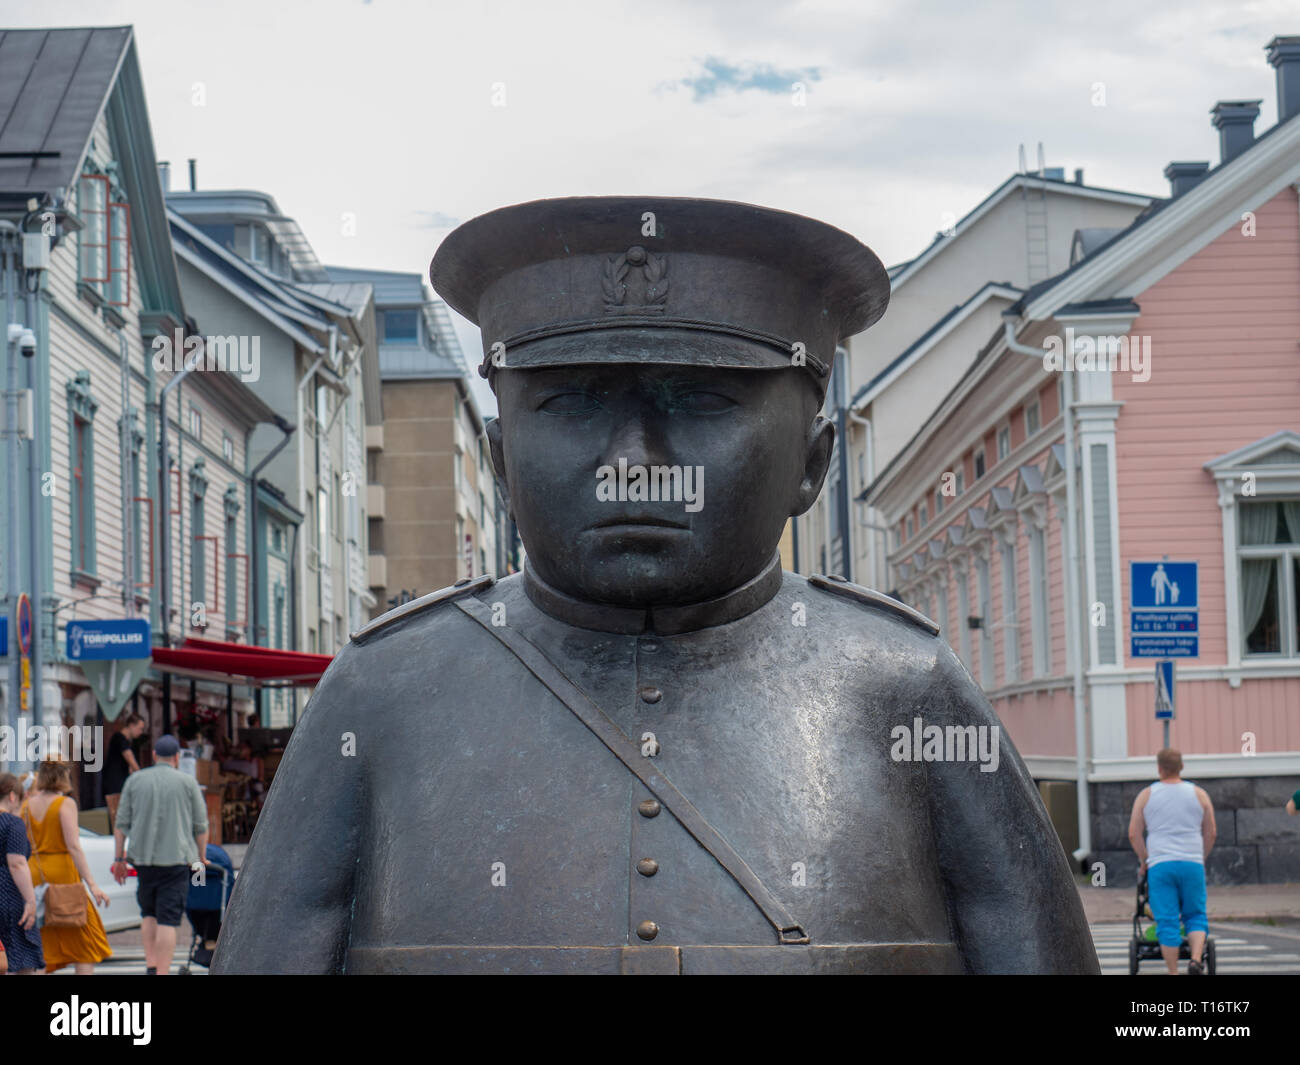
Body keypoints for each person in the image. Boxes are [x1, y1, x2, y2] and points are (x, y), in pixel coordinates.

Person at [214, 196, 1099, 975]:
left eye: (701, 402)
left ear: (814, 462)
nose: (633, 466)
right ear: (498, 460)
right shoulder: (382, 694)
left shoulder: (907, 692)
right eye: (572, 403)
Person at [112, 734, 209, 975]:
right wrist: (201, 857)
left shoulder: (135, 781)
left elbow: (121, 824)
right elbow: (201, 826)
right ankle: (163, 971)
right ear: (177, 757)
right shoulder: (188, 783)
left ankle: (151, 966)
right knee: (168, 918)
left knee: (148, 913)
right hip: (176, 860)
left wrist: (119, 859)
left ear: (154, 756)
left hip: (143, 860)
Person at [1128, 748, 1216, 975]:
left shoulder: (1147, 795)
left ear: (1159, 768)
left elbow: (1133, 834)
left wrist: (1145, 859)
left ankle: (1173, 972)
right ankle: (1196, 959)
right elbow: (1211, 833)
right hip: (1192, 864)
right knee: (1196, 914)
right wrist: (1201, 857)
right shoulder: (1199, 794)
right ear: (1181, 767)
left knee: (1167, 920)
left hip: (1161, 865)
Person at [20, 760, 112, 973]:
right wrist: (92, 884)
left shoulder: (26, 806)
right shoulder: (65, 804)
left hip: (35, 871)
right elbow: (73, 845)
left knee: (41, 939)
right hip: (62, 872)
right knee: (83, 941)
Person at [0, 773, 44, 974]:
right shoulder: (12, 823)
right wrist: (30, 900)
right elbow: (17, 863)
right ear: (11, 796)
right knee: (23, 957)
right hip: (9, 896)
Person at [103, 712, 146, 830]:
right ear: (131, 725)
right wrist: (141, 775)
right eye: (140, 728)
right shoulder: (119, 738)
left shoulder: (125, 741)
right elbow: (129, 758)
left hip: (119, 780)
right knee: (117, 810)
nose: (141, 732)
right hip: (115, 782)